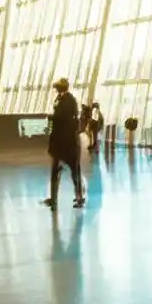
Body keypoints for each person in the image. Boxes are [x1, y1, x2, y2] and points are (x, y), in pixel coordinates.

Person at [44, 78, 85, 210]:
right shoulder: (61, 99)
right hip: (61, 142)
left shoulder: (69, 100)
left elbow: (64, 117)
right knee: (56, 170)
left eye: (58, 87)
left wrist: (52, 118)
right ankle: (54, 198)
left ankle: (79, 197)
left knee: (74, 171)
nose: (57, 89)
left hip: (69, 143)